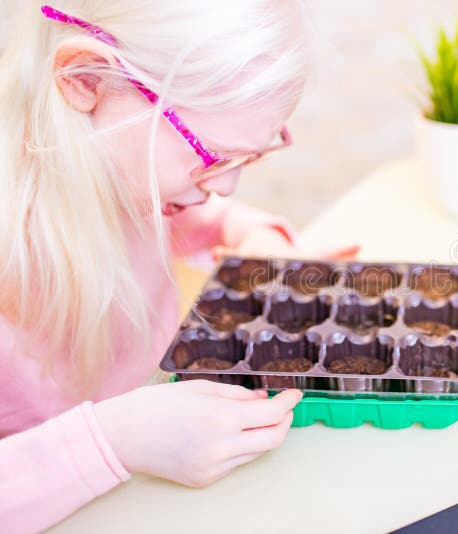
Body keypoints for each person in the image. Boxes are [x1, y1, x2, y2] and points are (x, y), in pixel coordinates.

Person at [0, 2, 348, 531]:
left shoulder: (128, 173)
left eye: (248, 158)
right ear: (87, 79)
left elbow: (201, 215)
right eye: (213, 158)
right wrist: (113, 440)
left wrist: (254, 238)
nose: (224, 186)